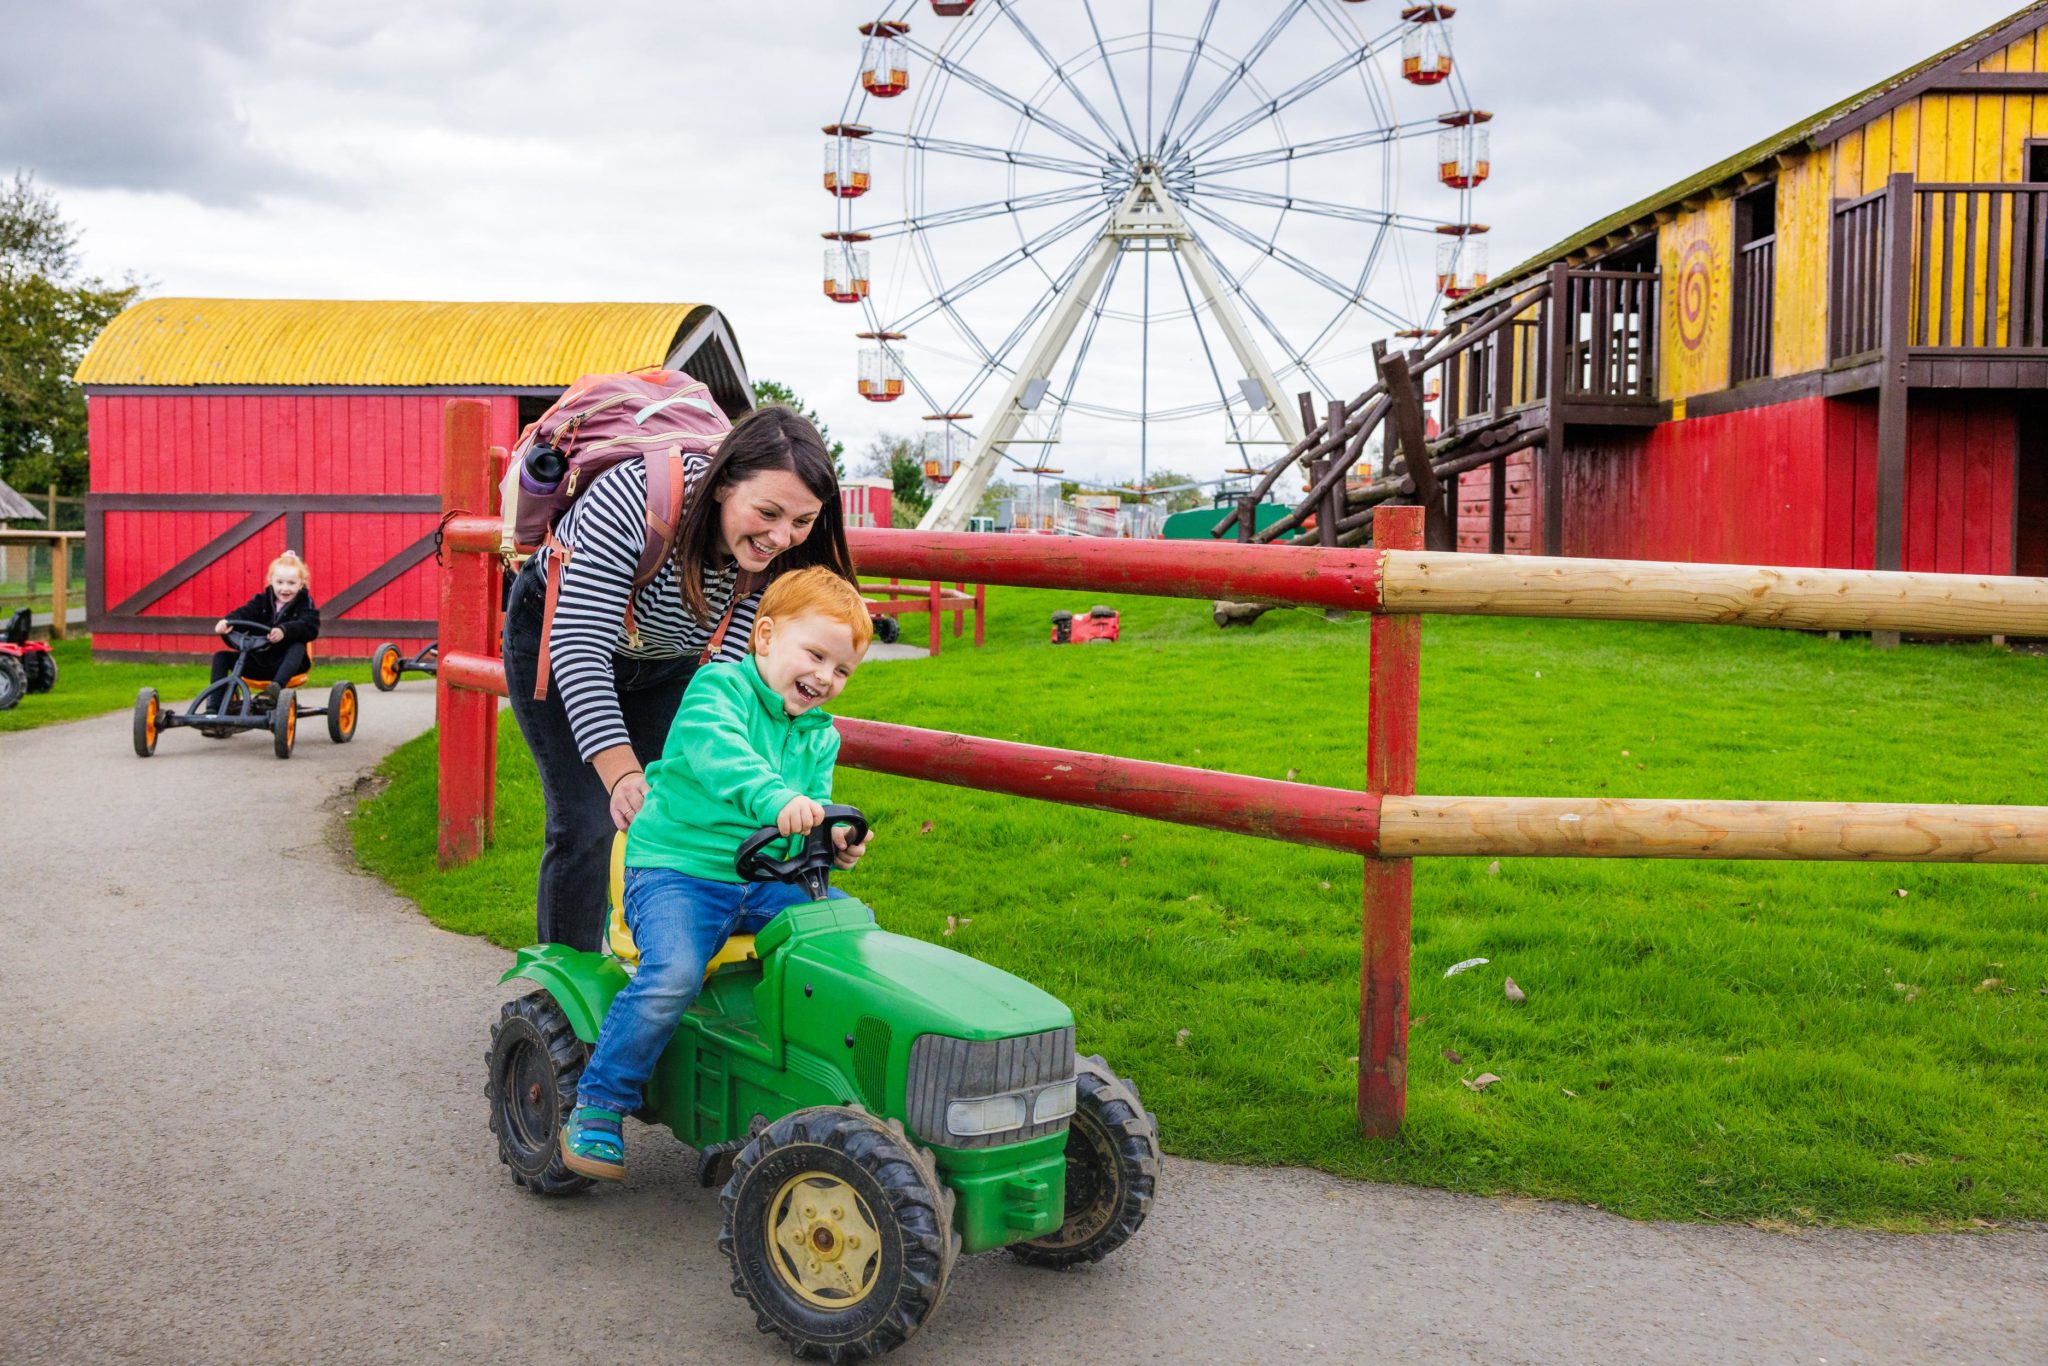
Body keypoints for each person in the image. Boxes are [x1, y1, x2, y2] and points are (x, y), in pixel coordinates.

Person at [558, 567, 874, 1181]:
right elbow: (722, 756)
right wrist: (776, 798)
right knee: (673, 973)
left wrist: (832, 841)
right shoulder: (715, 691)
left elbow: (808, 809)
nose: (824, 678)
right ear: (763, 638)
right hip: (676, 870)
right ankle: (599, 1103)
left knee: (846, 939)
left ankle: (808, 1091)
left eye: (842, 670)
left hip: (762, 878)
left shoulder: (819, 735)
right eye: (814, 655)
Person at [502, 405, 856, 953]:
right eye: (767, 511)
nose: (781, 536)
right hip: (560, 635)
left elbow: (737, 672)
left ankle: (652, 968)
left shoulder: (782, 558)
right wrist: (619, 773)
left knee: (675, 810)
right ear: (722, 484)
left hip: (668, 656)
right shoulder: (634, 497)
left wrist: (762, 787)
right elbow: (581, 646)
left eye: (802, 520)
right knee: (589, 823)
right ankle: (559, 994)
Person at [212, 550, 320, 685]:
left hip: (287, 665)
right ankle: (215, 704)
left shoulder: (304, 603)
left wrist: (283, 631)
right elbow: (245, 613)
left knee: (297, 646)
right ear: (271, 582)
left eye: (291, 583)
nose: (284, 588)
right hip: (258, 660)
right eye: (280, 582)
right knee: (221, 657)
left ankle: (274, 690)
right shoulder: (261, 601)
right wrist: (227, 623)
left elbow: (309, 626)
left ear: (301, 584)